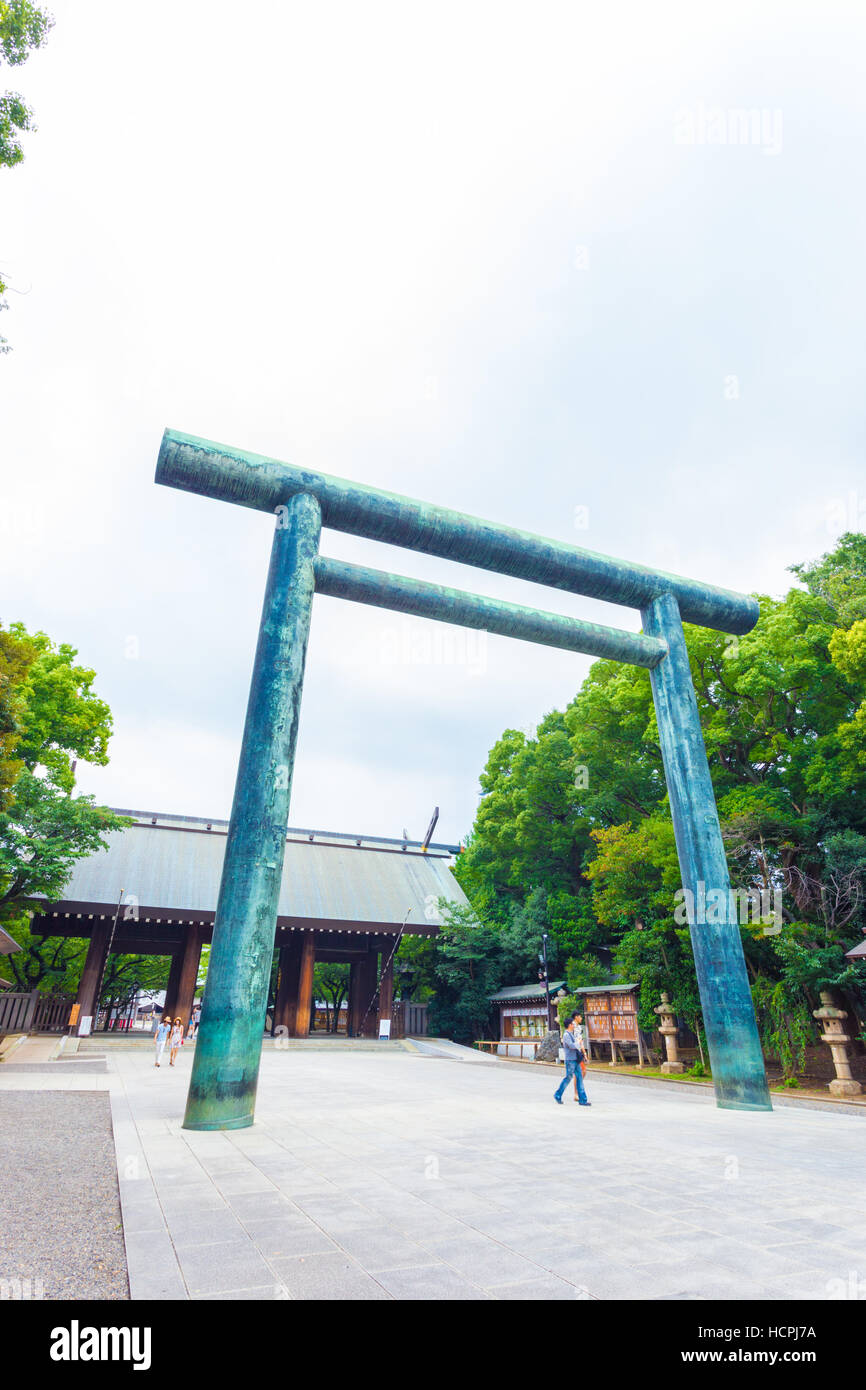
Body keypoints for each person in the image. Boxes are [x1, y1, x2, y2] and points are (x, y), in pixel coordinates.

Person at [554, 1017, 591, 1106]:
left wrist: (578, 1043)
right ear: (570, 1025)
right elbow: (571, 1046)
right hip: (570, 1060)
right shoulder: (566, 1035)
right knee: (568, 1078)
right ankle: (558, 1094)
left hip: (575, 1059)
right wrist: (578, 1043)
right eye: (572, 1024)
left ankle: (583, 1099)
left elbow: (575, 1045)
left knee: (579, 1078)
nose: (574, 1025)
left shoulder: (571, 1034)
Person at [571, 1011, 588, 1101]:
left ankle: (577, 1092)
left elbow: (580, 1041)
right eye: (580, 1016)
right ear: (576, 1017)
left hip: (579, 1051)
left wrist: (584, 1053)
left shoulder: (579, 1027)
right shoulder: (572, 1026)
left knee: (582, 1071)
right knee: (580, 1072)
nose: (581, 1018)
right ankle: (576, 1093)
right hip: (574, 1051)